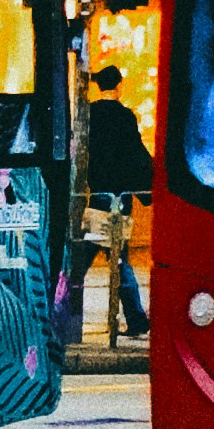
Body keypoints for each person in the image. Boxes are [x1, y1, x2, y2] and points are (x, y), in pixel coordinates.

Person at [75, 65, 151, 341]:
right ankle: (135, 318)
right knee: (119, 260)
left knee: (80, 261)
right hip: (121, 200)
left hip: (97, 198)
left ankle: (68, 316)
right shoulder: (126, 116)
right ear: (118, 85)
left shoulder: (89, 114)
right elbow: (137, 154)